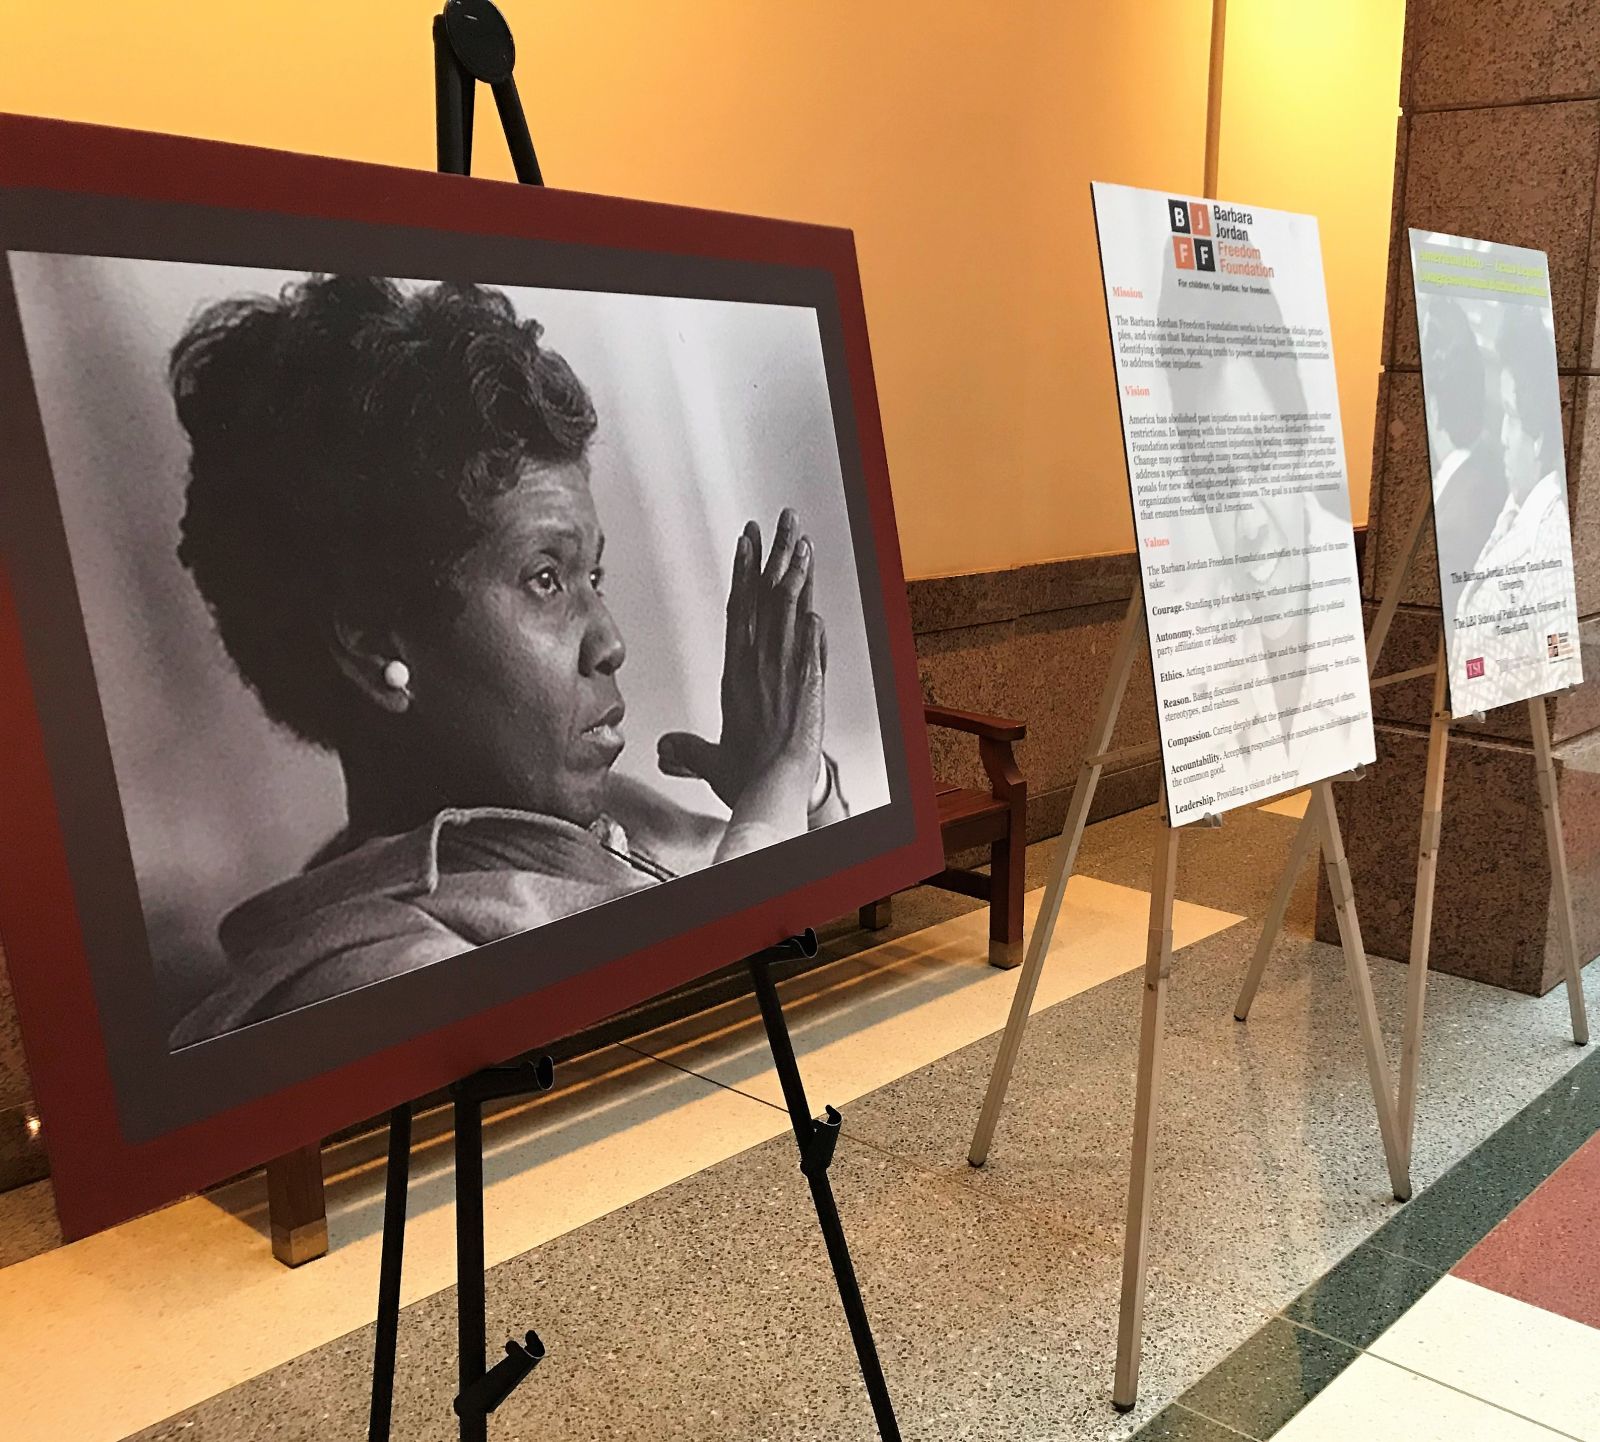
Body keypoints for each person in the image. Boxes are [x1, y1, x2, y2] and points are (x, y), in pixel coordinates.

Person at [168, 276, 845, 1045]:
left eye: (595, 575)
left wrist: (800, 785)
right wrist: (767, 820)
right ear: (373, 647)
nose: (611, 640)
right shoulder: (361, 972)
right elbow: (693, 1086)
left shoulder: (617, 817)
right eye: (546, 579)